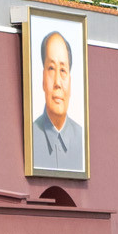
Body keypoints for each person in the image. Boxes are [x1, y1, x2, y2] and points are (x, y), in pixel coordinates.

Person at [29, 28, 83, 171]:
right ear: (43, 79)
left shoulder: (82, 140)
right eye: (52, 69)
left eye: (63, 71)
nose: (57, 83)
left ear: (70, 83)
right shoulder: (30, 137)